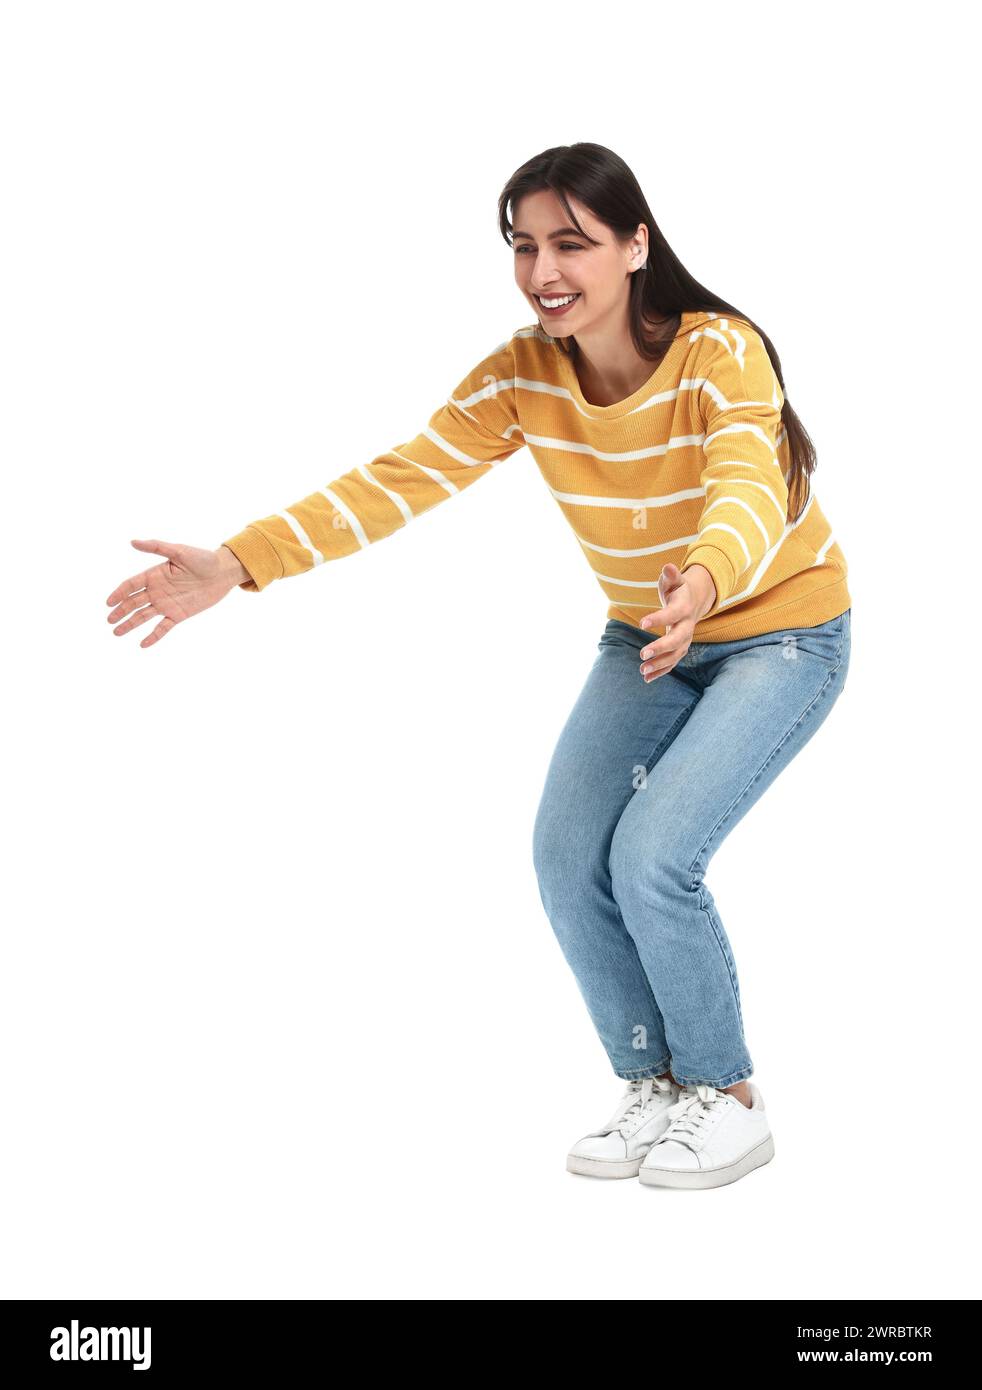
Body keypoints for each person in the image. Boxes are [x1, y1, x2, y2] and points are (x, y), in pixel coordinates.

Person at [106, 142, 851, 1192]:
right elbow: (402, 476)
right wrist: (238, 561)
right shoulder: (521, 374)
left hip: (779, 633)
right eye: (523, 245)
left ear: (636, 245)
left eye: (571, 243)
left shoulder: (719, 351)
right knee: (564, 855)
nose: (543, 269)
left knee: (651, 858)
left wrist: (705, 580)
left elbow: (742, 478)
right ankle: (655, 1082)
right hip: (646, 641)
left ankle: (726, 1096)